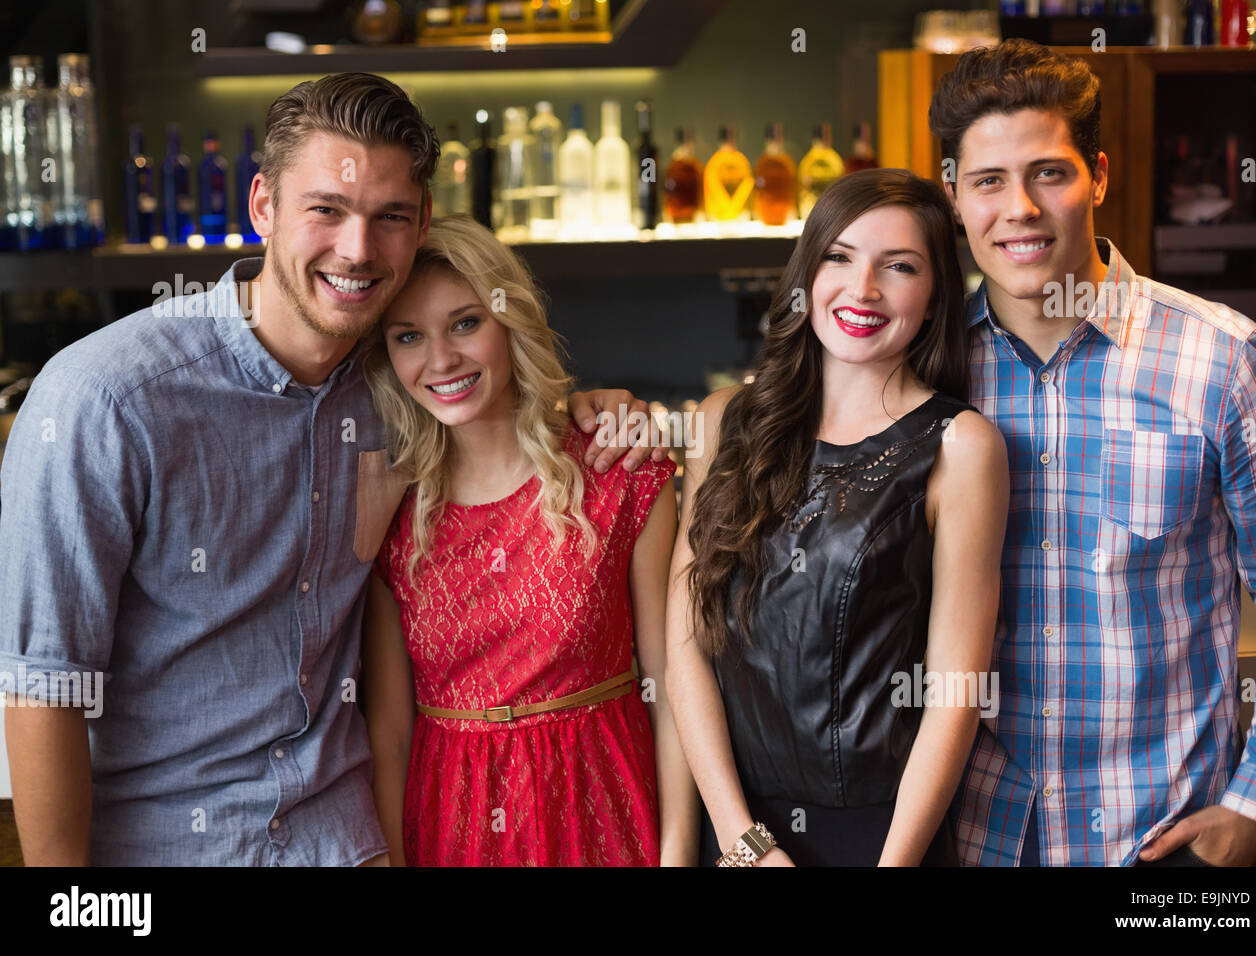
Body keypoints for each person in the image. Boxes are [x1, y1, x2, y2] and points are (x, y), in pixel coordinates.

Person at [0, 73, 657, 866]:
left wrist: (591, 413)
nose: (357, 249)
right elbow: (44, 685)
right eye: (327, 210)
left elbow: (498, 413)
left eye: (390, 217)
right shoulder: (106, 399)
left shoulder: (402, 380)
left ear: (420, 226)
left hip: (349, 839)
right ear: (263, 206)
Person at [929, 39, 1256, 866]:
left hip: (1160, 842)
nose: (1020, 208)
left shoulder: (1226, 364)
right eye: (988, 181)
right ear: (953, 196)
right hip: (973, 836)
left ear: (1097, 176)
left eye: (1048, 174)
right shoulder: (920, 370)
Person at [665, 168, 1009, 866]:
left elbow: (956, 695)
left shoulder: (961, 445)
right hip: (733, 828)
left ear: (935, 296)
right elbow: (685, 650)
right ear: (806, 274)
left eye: (899, 266)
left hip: (881, 838)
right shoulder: (722, 423)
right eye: (840, 257)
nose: (863, 288)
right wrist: (743, 842)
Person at [359, 215, 697, 866]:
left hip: (603, 817)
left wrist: (678, 854)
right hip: (449, 832)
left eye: (465, 323)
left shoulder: (617, 471)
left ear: (510, 322)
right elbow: (391, 734)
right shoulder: (391, 514)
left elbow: (672, 689)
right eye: (409, 336)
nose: (441, 360)